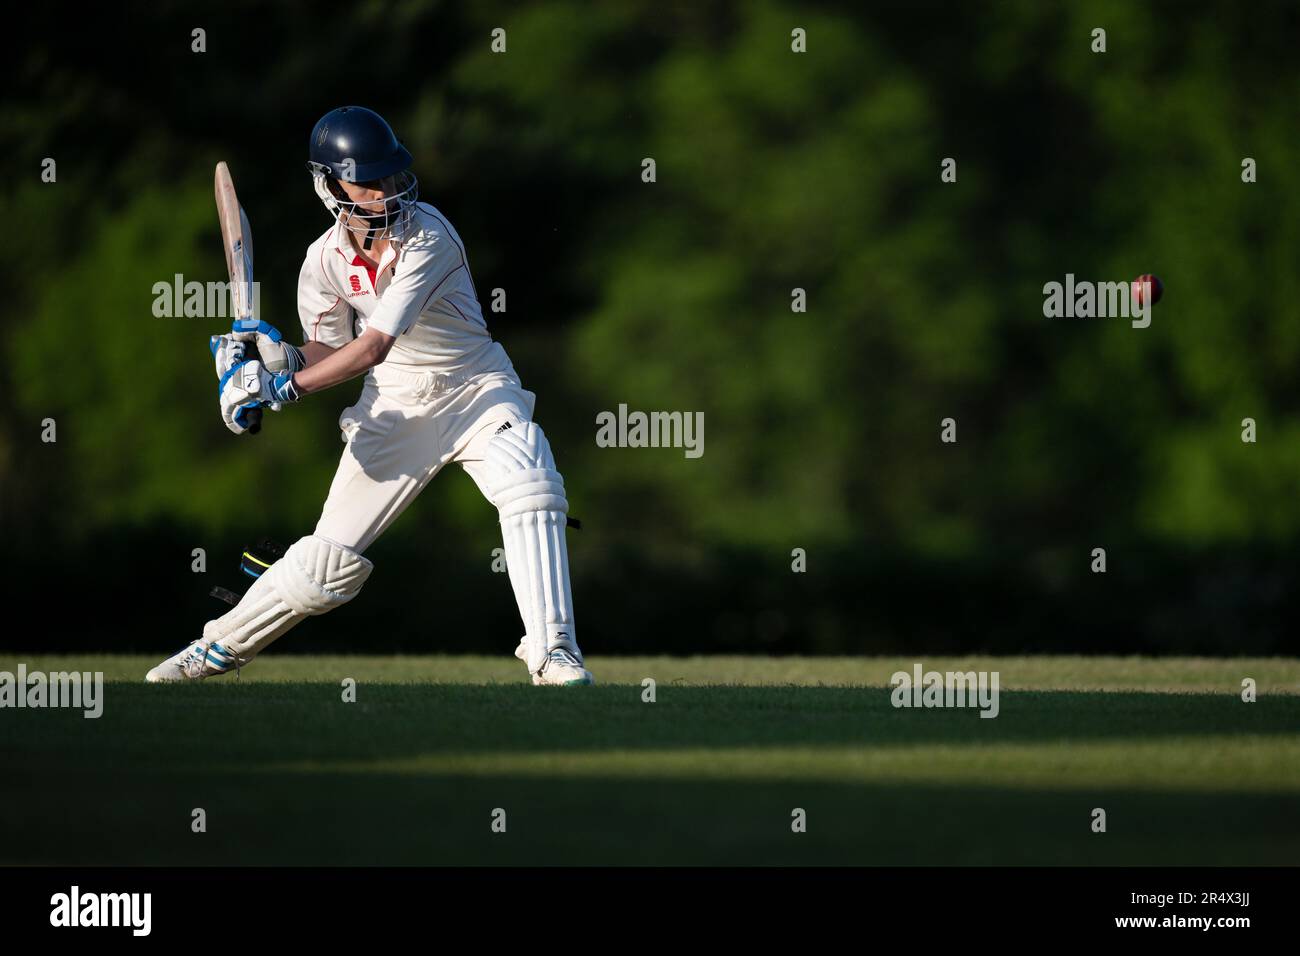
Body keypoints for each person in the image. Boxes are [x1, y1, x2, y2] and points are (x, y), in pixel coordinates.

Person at [147, 106, 592, 686]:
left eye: (388, 176)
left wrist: (282, 386)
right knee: (324, 569)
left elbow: (374, 345)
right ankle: (215, 647)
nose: (384, 192)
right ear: (330, 186)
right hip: (396, 407)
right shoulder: (322, 261)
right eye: (367, 180)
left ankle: (553, 651)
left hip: (477, 386)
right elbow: (329, 349)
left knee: (530, 485)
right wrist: (266, 363)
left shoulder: (429, 234)